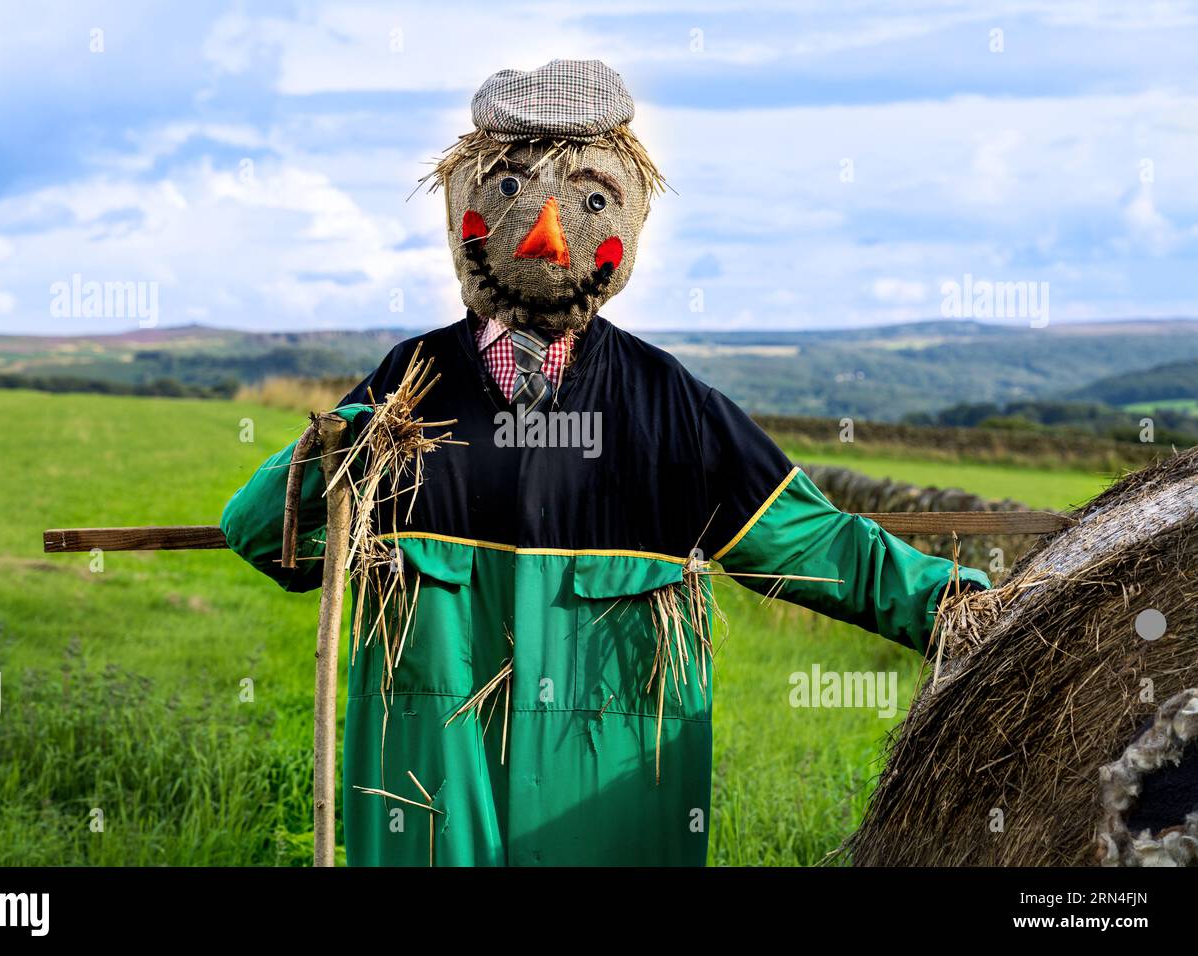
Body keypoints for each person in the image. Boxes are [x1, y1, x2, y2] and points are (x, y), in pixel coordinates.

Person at [222, 59, 989, 866]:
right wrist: (338, 447)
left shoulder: (674, 411)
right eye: (512, 190)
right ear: (463, 212)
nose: (549, 229)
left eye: (589, 201)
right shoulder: (404, 395)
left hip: (610, 812)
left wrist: (954, 608)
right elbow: (257, 532)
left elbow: (817, 548)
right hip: (437, 807)